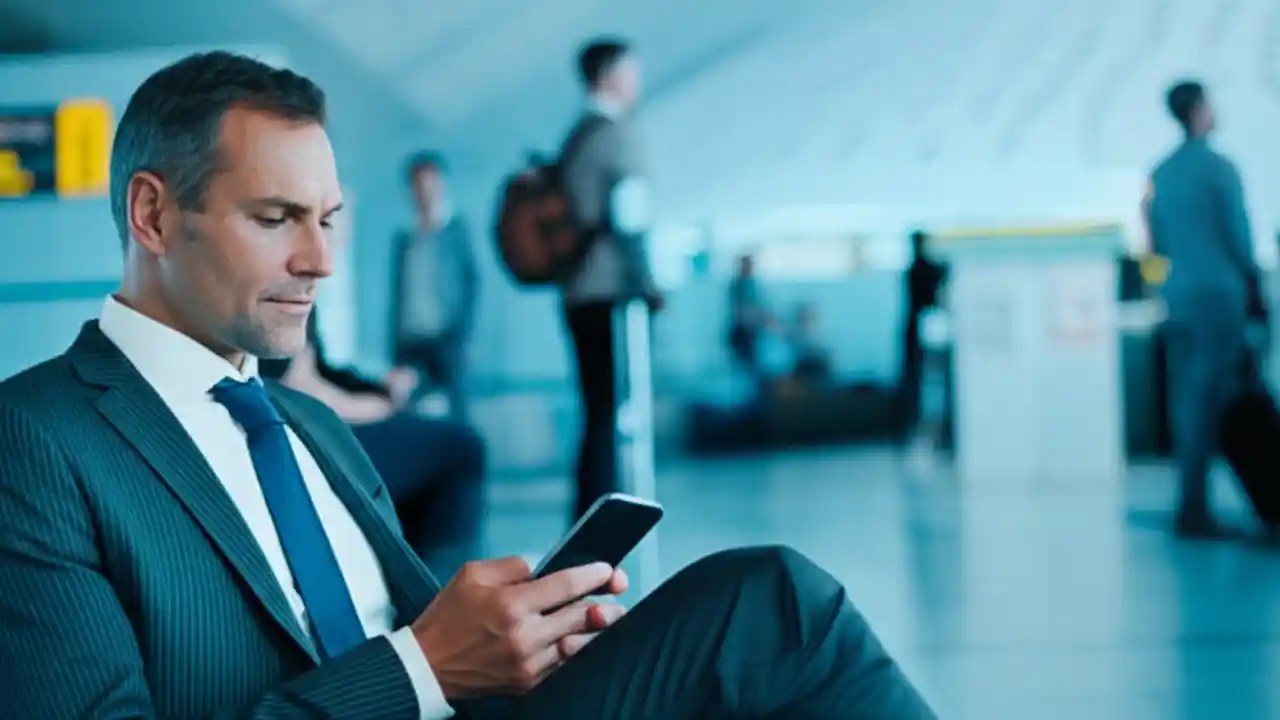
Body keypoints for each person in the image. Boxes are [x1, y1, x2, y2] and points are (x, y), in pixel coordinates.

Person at [0, 51, 935, 719]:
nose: (321, 260)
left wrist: (518, 642)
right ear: (153, 214)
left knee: (769, 602)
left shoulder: (310, 427)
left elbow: (425, 643)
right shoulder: (36, 439)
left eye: (329, 218)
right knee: (772, 605)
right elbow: (415, 666)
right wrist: (421, 668)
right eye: (277, 218)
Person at [261, 312, 485, 579]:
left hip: (315, 406)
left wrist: (380, 392)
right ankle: (437, 590)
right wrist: (377, 405)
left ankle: (426, 587)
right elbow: (294, 388)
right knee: (460, 448)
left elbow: (317, 370)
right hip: (294, 426)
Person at [1146, 80, 1264, 539]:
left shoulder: (1162, 172)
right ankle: (1211, 509)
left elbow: (1158, 243)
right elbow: (1238, 237)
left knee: (1189, 401)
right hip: (1219, 294)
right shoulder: (1219, 168)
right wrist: (1254, 290)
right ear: (1199, 110)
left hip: (1179, 296)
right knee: (1221, 399)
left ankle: (1191, 502)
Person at [558, 38, 664, 521]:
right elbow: (630, 218)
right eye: (632, 71)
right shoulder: (619, 135)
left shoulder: (577, 136)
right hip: (613, 292)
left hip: (578, 291)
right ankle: (607, 518)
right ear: (612, 76)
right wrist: (648, 283)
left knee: (595, 411)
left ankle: (588, 515)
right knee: (613, 412)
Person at [390, 151, 478, 420]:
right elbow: (396, 297)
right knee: (407, 413)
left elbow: (470, 286)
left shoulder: (457, 232)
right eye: (419, 186)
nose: (425, 193)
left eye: (430, 185)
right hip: (411, 339)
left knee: (456, 411)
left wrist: (462, 334)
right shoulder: (405, 241)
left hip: (447, 340)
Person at [898, 230, 947, 438]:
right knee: (916, 380)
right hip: (919, 331)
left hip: (919, 330)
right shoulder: (919, 270)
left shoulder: (916, 269)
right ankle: (914, 425)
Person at [727, 253, 771, 388]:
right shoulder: (738, 285)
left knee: (752, 370)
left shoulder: (751, 284)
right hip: (742, 335)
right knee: (744, 371)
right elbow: (742, 312)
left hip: (752, 334)